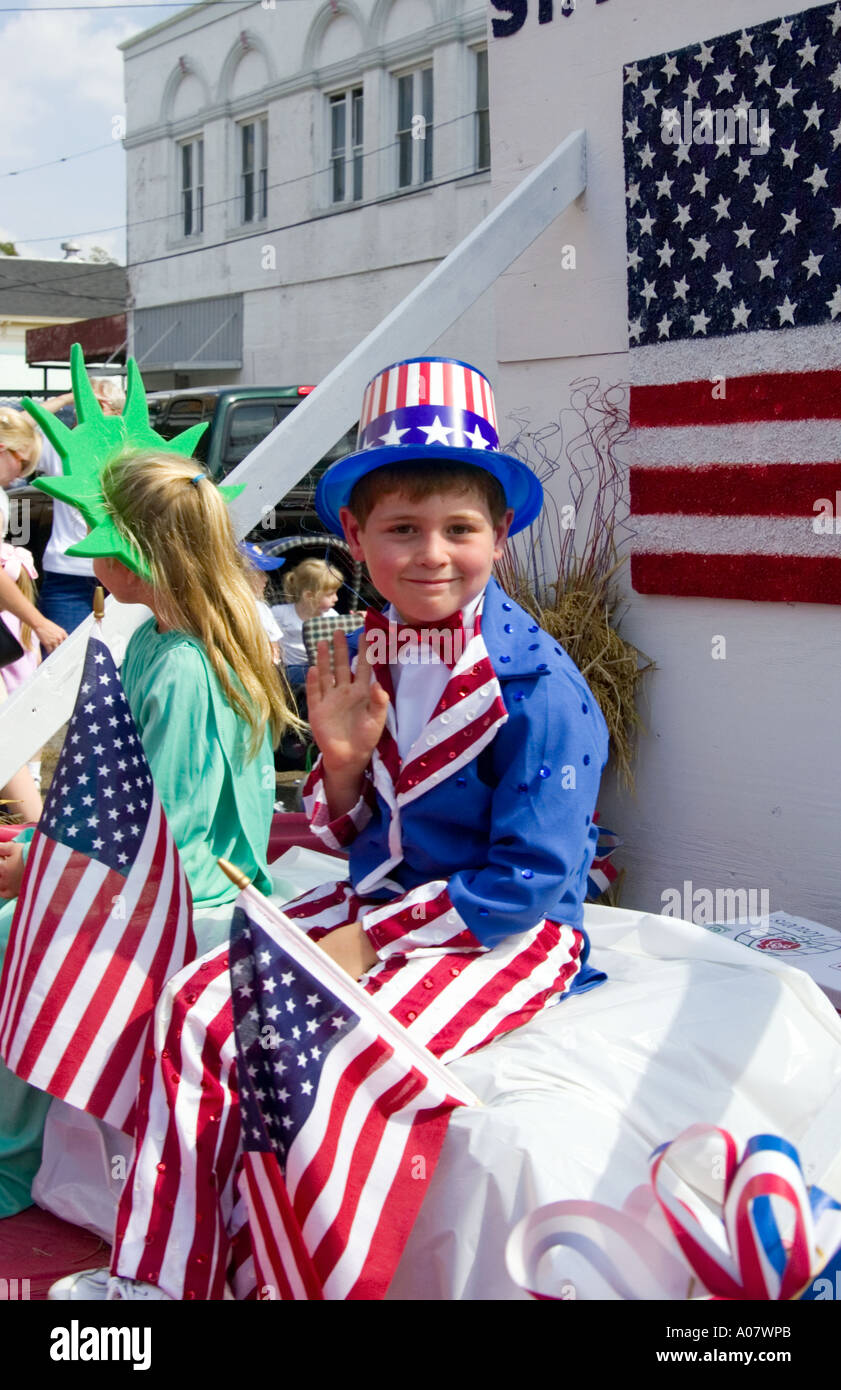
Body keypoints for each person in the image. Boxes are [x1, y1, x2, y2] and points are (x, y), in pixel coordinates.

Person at [49, 357, 610, 1301]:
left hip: (501, 940)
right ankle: (161, 1278)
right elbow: (343, 825)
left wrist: (364, 937)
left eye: (458, 530)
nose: (432, 554)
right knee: (191, 1004)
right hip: (381, 905)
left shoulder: (540, 690)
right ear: (354, 536)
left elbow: (528, 883)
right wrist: (344, 768)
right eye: (402, 530)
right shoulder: (375, 650)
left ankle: (297, 1280)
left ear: (500, 537)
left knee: (295, 1045)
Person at [0, 448, 301, 1217]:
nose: (88, 556)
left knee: (15, 940)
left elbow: (157, 828)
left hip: (178, 893)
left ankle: (12, 1155)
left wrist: (34, 866)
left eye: (102, 541)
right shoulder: (162, 642)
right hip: (163, 872)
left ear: (139, 553)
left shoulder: (175, 664)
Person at [36, 377, 126, 634]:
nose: (85, 408)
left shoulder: (130, 452)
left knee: (116, 661)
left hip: (120, 570)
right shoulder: (61, 447)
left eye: (97, 403)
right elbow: (22, 424)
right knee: (61, 663)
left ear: (117, 413)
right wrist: (67, 397)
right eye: (82, 403)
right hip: (66, 575)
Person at [271, 558, 342, 686]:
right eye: (330, 594)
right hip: (292, 668)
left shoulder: (331, 616)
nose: (336, 598)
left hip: (321, 666)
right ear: (309, 595)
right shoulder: (280, 613)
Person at [240, 541, 285, 665]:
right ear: (240, 575)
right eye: (259, 573)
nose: (265, 578)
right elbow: (274, 652)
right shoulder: (258, 608)